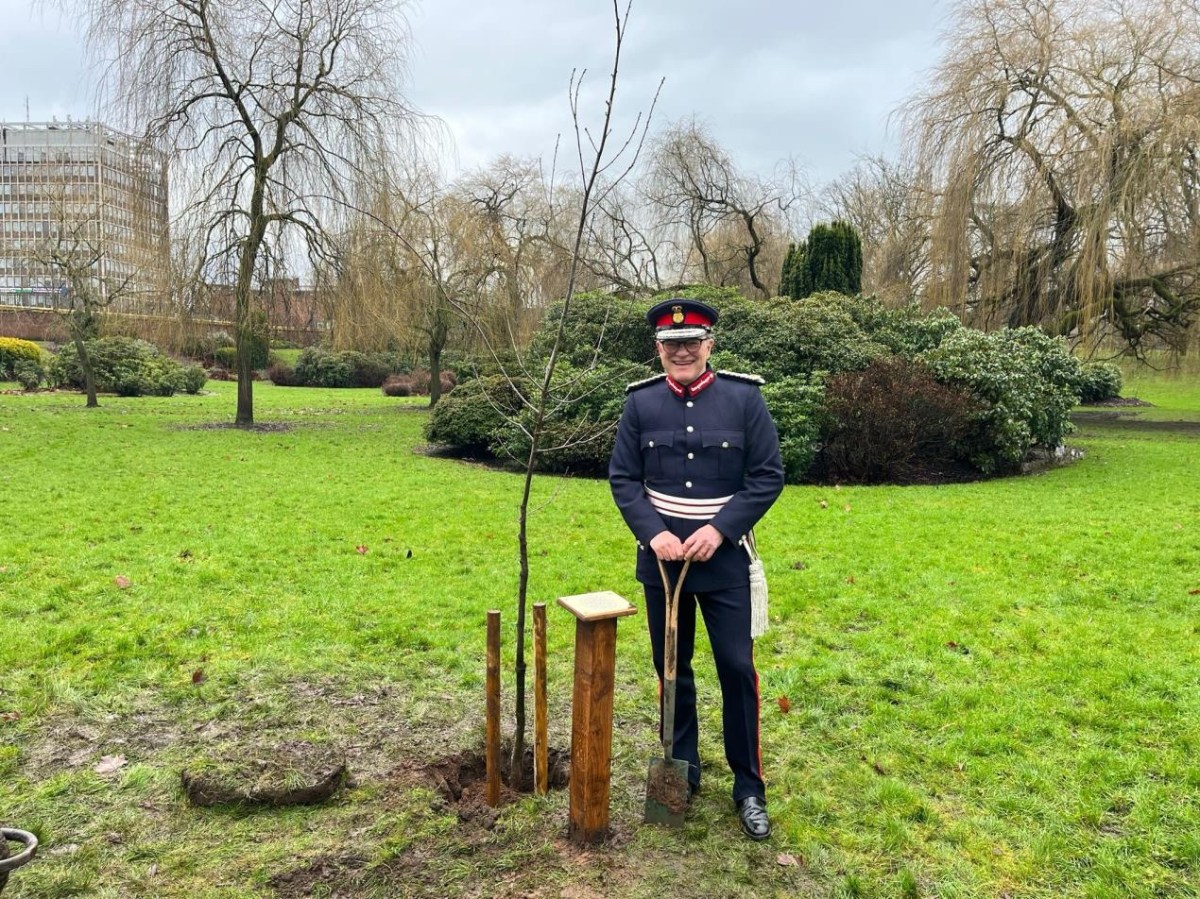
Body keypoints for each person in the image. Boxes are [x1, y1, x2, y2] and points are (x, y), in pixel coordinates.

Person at [609, 298, 785, 841]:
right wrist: (653, 533)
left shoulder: (743, 399)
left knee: (736, 669)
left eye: (691, 342)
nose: (681, 352)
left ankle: (748, 787)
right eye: (670, 344)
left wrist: (721, 528)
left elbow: (767, 475)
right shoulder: (641, 405)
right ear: (658, 350)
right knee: (673, 671)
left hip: (724, 559)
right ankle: (681, 774)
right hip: (662, 564)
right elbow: (622, 478)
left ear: (710, 345)